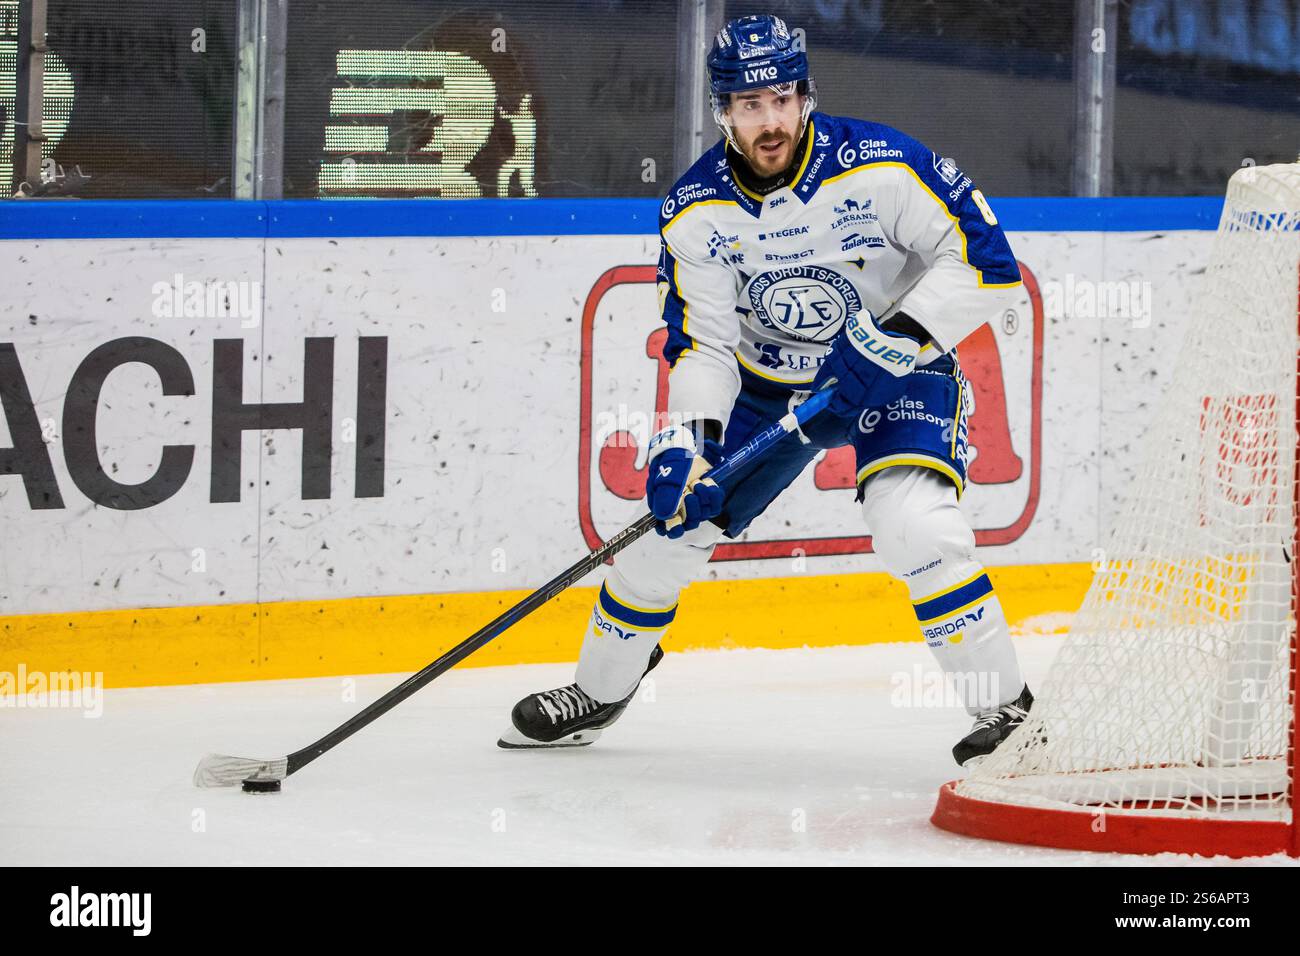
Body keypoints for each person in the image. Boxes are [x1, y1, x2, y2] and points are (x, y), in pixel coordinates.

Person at [500, 14, 1031, 765]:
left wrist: (892, 340)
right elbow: (705, 344)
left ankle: (1009, 716)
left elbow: (985, 261)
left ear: (806, 96)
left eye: (782, 98)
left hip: (897, 372)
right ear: (722, 112)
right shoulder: (694, 210)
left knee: (916, 525)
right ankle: (602, 689)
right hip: (771, 386)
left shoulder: (882, 165)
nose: (770, 120)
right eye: (749, 106)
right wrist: (687, 443)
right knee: (667, 536)